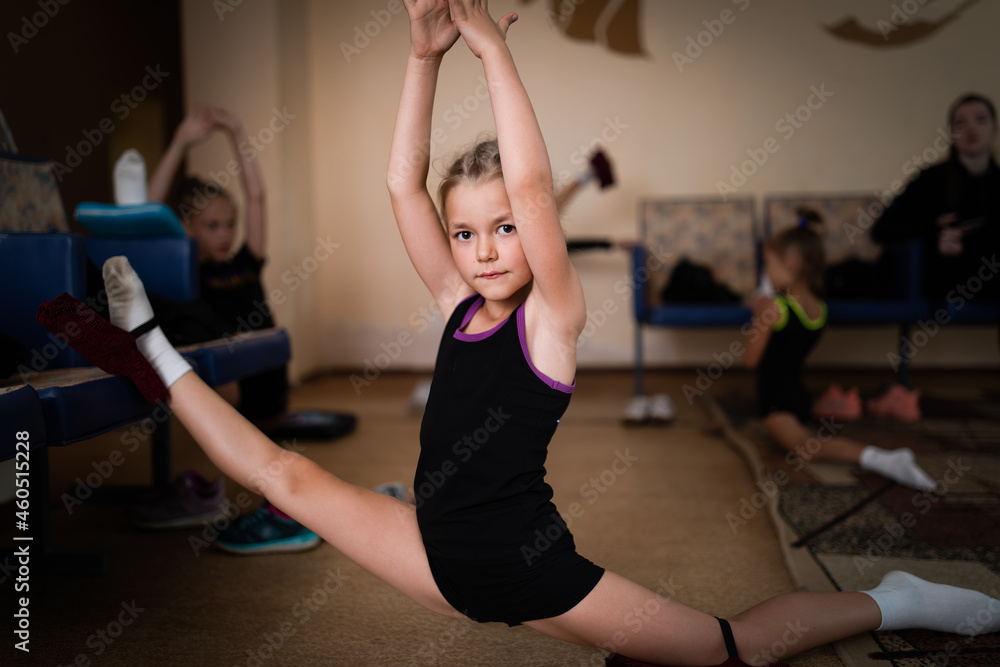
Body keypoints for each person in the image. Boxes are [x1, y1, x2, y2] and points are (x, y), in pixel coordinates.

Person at [35, 2, 1000, 665]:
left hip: (530, 567)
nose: (488, 248)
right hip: (434, 557)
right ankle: (153, 347)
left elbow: (533, 189)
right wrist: (422, 57)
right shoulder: (458, 301)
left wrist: (493, 50)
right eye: (469, 232)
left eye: (505, 229)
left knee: (727, 648)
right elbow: (400, 185)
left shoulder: (553, 318)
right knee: (282, 475)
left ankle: (896, 597)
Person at [140, 106, 354, 553]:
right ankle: (213, 488)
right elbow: (148, 216)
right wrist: (180, 142)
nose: (224, 234)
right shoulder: (186, 268)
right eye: (211, 226)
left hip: (270, 389)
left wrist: (237, 132)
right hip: (235, 395)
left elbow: (256, 197)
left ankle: (222, 486)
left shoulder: (245, 262)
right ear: (185, 229)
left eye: (229, 224)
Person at [744, 218, 936, 491]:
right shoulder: (818, 309)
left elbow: (750, 361)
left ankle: (884, 459)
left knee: (805, 448)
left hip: (776, 402)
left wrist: (758, 318)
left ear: (790, 262)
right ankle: (839, 402)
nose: (767, 273)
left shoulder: (773, 308)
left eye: (769, 264)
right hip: (799, 395)